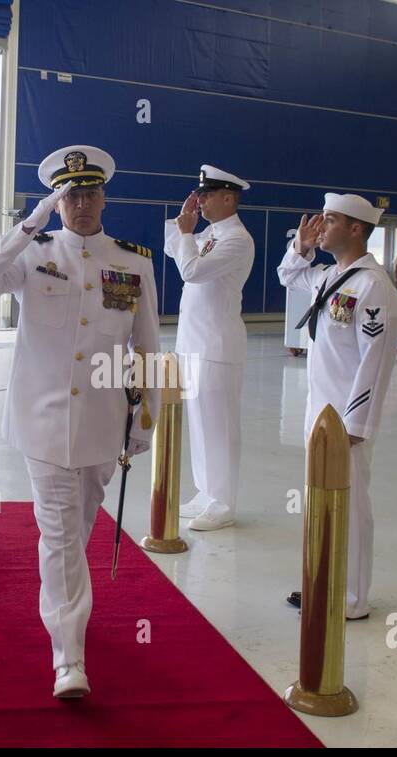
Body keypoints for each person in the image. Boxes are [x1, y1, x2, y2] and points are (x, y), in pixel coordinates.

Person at [0, 145, 160, 698]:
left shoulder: (133, 261)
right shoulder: (34, 252)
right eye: (70, 195)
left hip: (102, 425)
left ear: (104, 197)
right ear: (58, 199)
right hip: (44, 421)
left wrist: (145, 420)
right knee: (60, 535)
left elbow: (146, 349)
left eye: (90, 192)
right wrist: (28, 224)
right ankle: (68, 656)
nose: (81, 204)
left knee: (76, 531)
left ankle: (64, 611)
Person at [278, 194, 397, 621]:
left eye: (330, 220)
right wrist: (302, 246)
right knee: (320, 503)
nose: (320, 225)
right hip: (320, 413)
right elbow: (287, 276)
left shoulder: (373, 286)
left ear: (355, 229)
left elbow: (376, 362)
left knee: (350, 507)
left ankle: (350, 599)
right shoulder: (331, 275)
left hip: (346, 420)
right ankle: (322, 583)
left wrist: (356, 423)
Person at [163, 164, 255, 531]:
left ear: (228, 198)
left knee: (219, 426)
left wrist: (188, 234)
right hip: (195, 343)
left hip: (218, 347)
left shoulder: (237, 239)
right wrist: (181, 223)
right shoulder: (209, 234)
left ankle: (223, 502)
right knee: (200, 424)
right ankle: (206, 490)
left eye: (206, 195)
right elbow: (175, 252)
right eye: (199, 194)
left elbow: (191, 271)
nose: (199, 200)